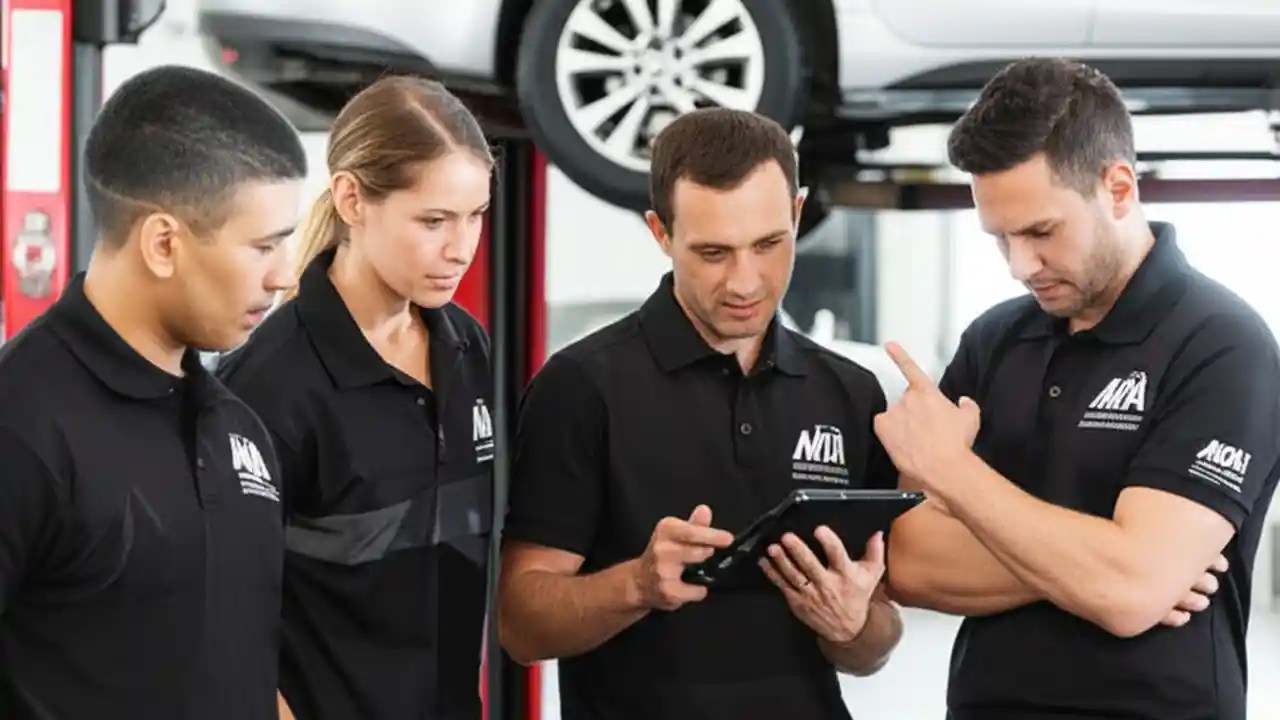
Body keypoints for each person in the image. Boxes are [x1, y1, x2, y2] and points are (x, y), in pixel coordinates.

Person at [879, 57, 1280, 720]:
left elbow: (1129, 593)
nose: (1020, 265)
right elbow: (909, 563)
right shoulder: (993, 340)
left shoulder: (1224, 345)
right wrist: (1099, 565)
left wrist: (954, 474)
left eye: (1041, 231)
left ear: (1118, 188)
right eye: (1000, 238)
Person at [497, 107, 902, 720]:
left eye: (768, 245)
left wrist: (851, 624)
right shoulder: (581, 387)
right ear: (660, 232)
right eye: (714, 252)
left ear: (797, 214)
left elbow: (876, 642)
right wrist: (637, 584)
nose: (745, 282)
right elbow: (520, 626)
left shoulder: (849, 392)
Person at [0, 65, 306, 719]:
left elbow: (235, 667)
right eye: (263, 247)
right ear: (163, 243)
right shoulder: (22, 425)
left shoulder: (239, 428)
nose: (285, 276)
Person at [215, 75, 495, 720]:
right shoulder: (266, 385)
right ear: (351, 198)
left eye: (476, 216)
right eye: (433, 221)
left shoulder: (466, 347)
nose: (461, 248)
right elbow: (220, 620)